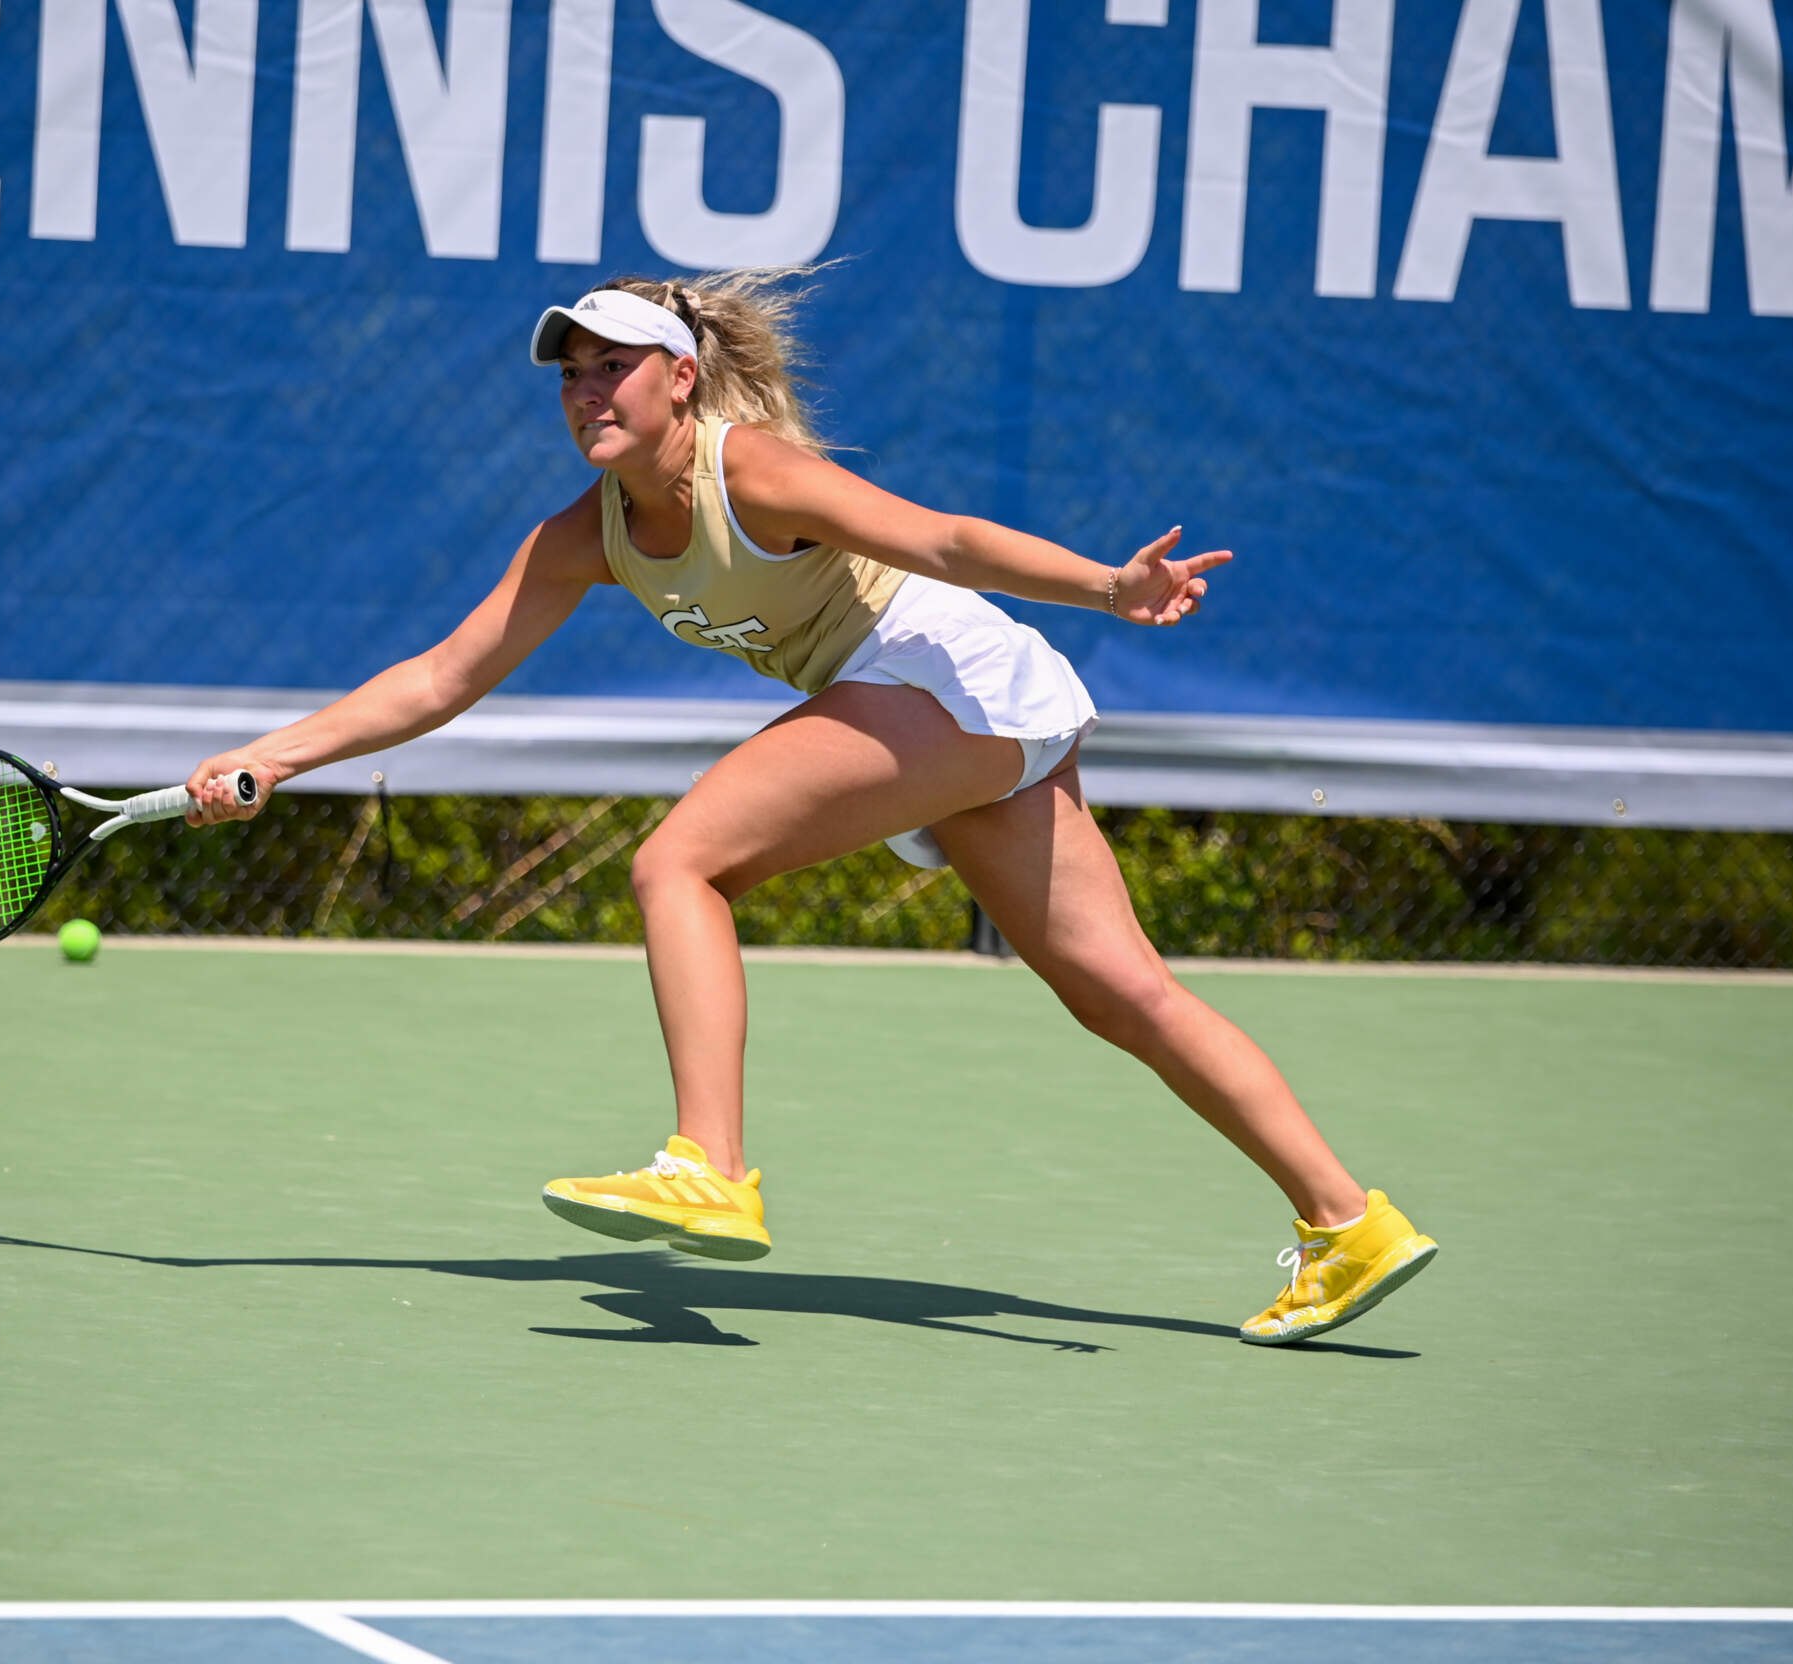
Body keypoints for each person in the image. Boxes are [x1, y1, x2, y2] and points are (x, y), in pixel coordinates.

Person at [186, 268, 1437, 1345]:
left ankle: (709, 1165)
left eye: (611, 367)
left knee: (681, 864)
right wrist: (275, 757)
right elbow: (441, 676)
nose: (585, 393)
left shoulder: (757, 473)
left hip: (940, 669)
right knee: (1118, 991)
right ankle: (1349, 1220)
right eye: (568, 375)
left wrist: (1108, 585)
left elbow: (939, 540)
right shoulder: (590, 533)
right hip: (960, 709)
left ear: (680, 378)